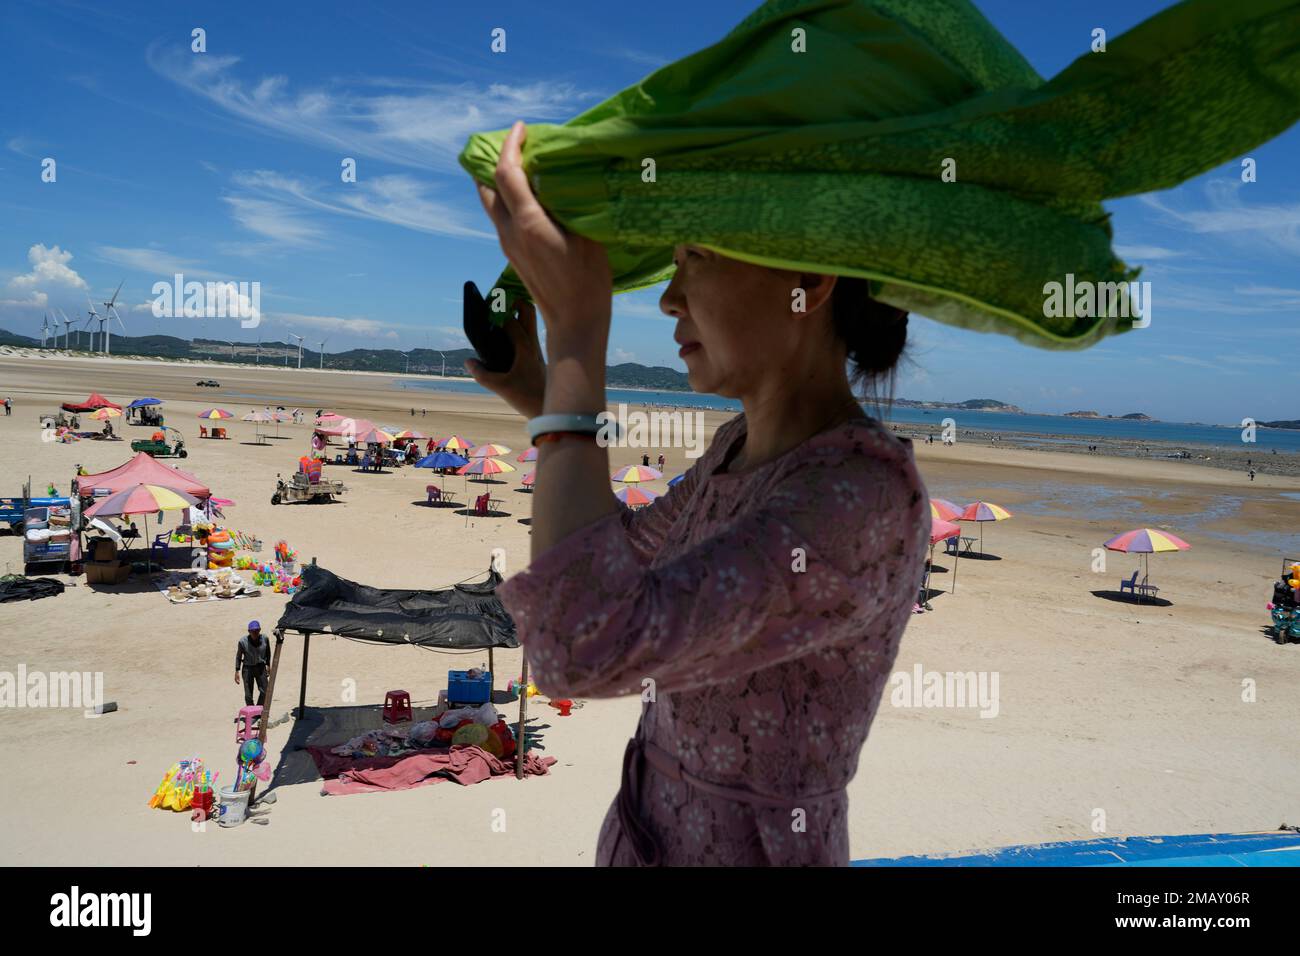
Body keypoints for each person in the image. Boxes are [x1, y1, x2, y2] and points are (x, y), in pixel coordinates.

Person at [464, 122, 927, 866]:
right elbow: (618, 561)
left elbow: (580, 645)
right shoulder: (734, 449)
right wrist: (546, 396)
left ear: (808, 283)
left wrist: (579, 334)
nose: (670, 297)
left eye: (697, 258)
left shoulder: (862, 494)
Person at [235, 621, 271, 707]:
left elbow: (268, 652)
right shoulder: (242, 642)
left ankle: (258, 709)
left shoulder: (265, 639)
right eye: (253, 631)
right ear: (249, 631)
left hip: (261, 667)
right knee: (248, 694)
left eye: (257, 630)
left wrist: (268, 664)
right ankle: (251, 712)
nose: (255, 633)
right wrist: (237, 670)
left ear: (260, 630)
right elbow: (238, 656)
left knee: (265, 691)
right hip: (248, 668)